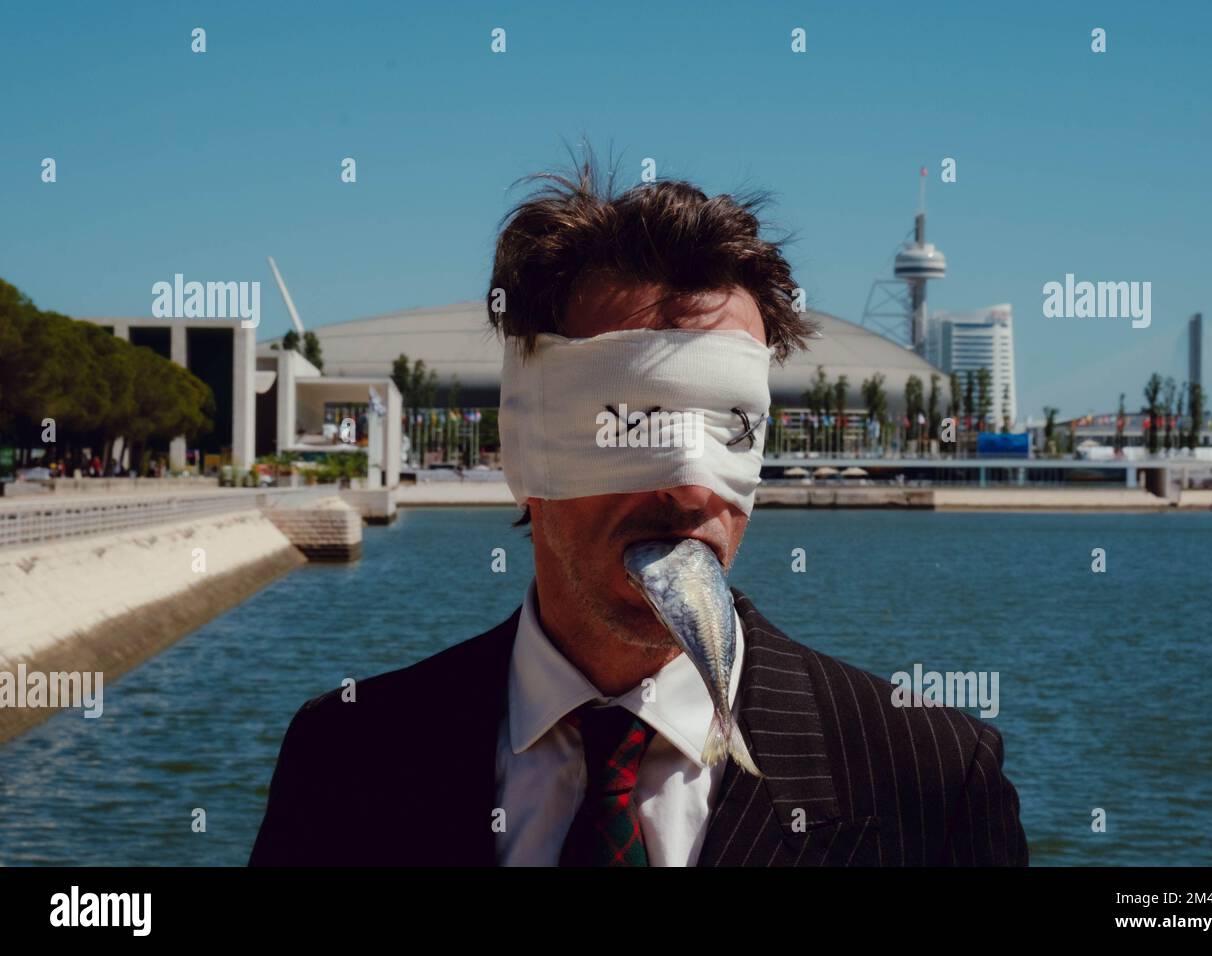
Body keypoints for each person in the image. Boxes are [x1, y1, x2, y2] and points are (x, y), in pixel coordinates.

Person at [250, 157, 1029, 867]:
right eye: (630, 422)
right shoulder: (347, 759)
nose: (692, 490)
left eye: (731, 427)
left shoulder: (929, 781)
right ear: (523, 442)